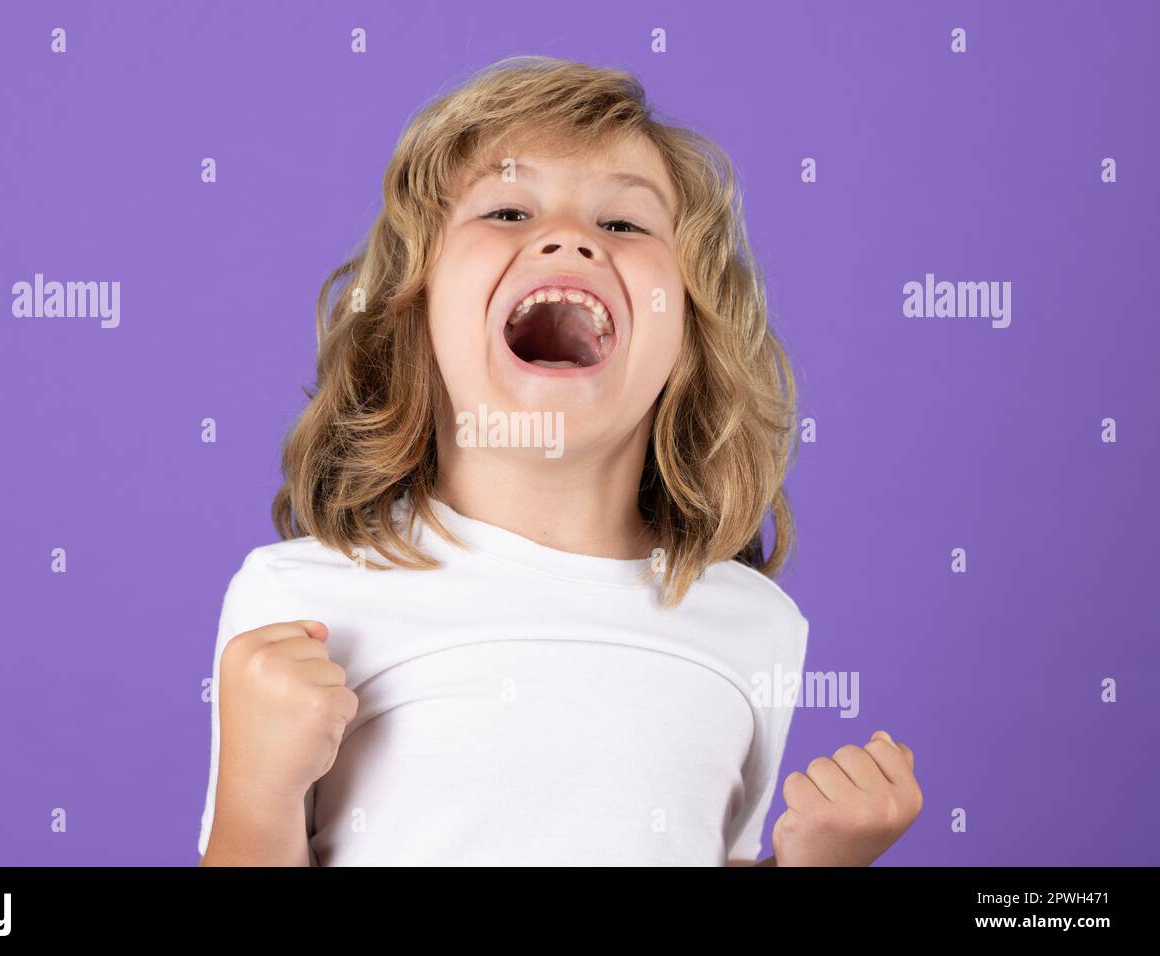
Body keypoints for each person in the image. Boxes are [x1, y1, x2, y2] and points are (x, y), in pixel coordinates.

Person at [197, 55, 921, 866]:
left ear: (690, 332)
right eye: (507, 209)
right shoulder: (299, 603)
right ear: (417, 310)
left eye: (623, 224)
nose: (568, 238)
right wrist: (256, 796)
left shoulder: (757, 630)